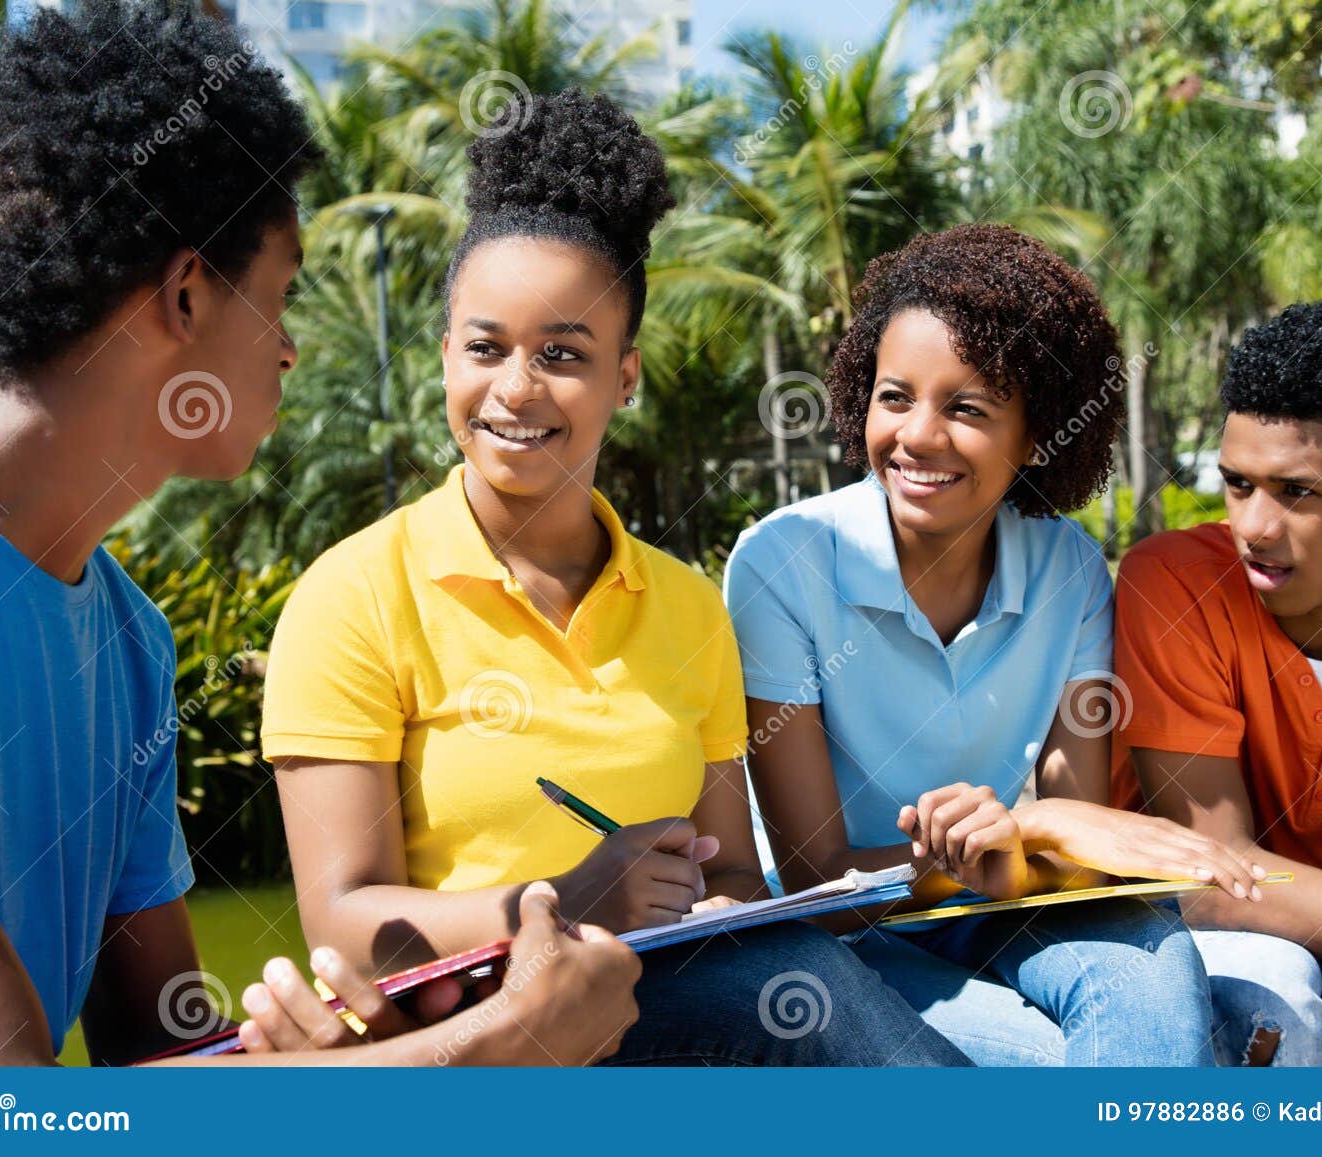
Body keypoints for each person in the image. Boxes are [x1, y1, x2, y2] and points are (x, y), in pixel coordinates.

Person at [0, 1, 640, 1067]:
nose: (290, 352)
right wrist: (502, 1045)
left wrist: (366, 1041)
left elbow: (154, 1056)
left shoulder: (127, 641)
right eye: (282, 295)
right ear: (184, 294)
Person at [261, 88, 970, 1067]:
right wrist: (567, 898)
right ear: (443, 357)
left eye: (562, 354)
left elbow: (733, 887)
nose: (514, 388)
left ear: (623, 378)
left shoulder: (685, 605)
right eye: (485, 347)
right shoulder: (351, 598)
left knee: (799, 974)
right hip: (481, 1039)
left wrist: (761, 895)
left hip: (685, 1014)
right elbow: (342, 925)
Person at [726, 224, 1264, 1066]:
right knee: (1055, 1061)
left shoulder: (1071, 570)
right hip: (850, 932)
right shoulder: (782, 564)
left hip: (1014, 897)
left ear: (1039, 435)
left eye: (967, 408)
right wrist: (1021, 833)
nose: (918, 437)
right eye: (894, 396)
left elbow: (1070, 841)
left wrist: (1027, 837)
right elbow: (818, 885)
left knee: (1149, 974)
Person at [1113, 300, 1322, 1066]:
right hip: (1180, 931)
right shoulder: (1174, 583)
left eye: (1296, 492)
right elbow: (1213, 880)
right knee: (1286, 991)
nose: (1254, 525)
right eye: (1236, 484)